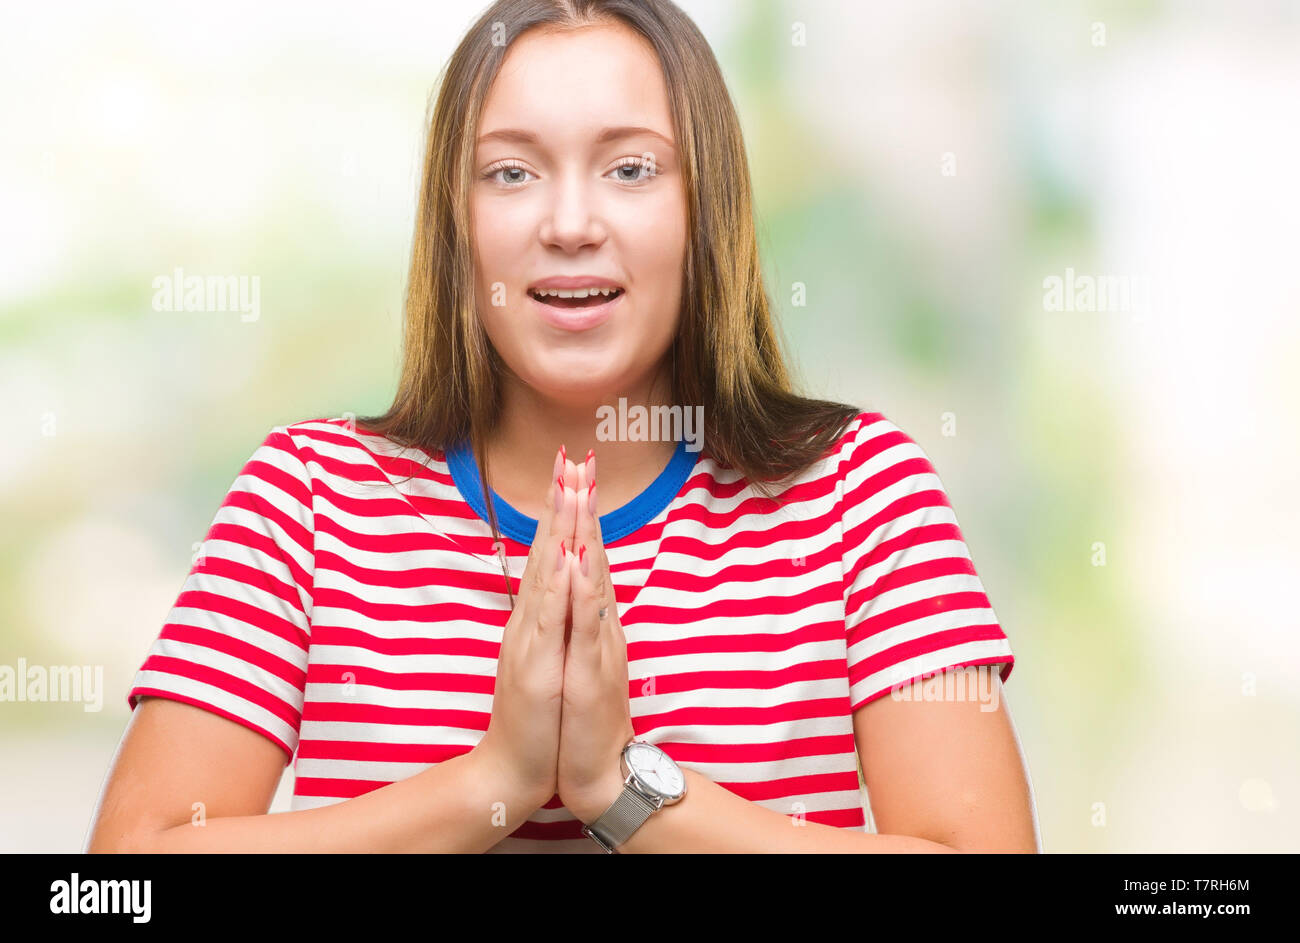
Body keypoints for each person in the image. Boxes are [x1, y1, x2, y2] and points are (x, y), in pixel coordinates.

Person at [86, 0, 1038, 853]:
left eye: (630, 167)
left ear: (704, 209)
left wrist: (620, 789)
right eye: (510, 171)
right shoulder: (310, 496)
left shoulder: (858, 492)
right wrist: (491, 783)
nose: (571, 221)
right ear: (455, 224)